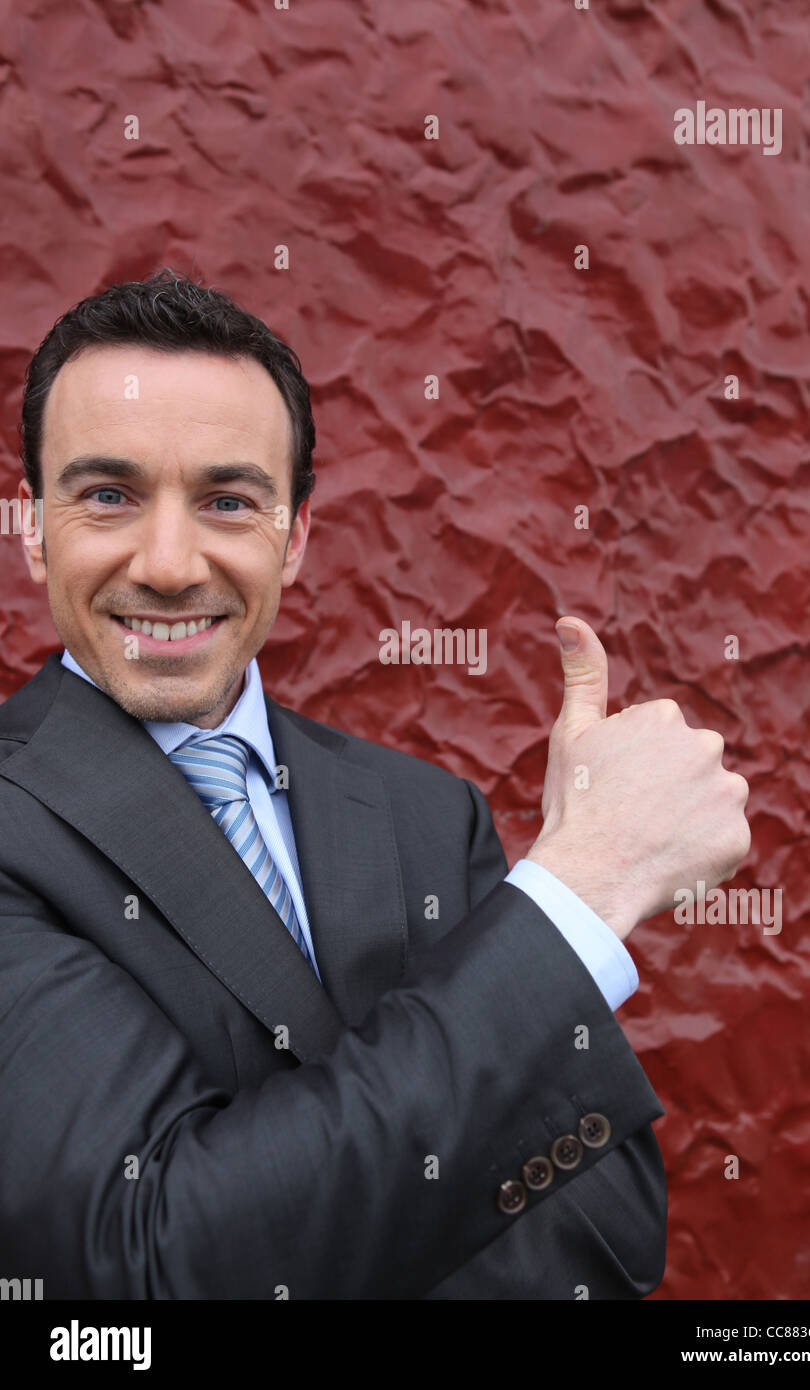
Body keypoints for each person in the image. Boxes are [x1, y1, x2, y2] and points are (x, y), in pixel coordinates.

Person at [0, 269, 750, 1299]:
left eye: (227, 499)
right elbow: (157, 1260)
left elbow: (608, 1223)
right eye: (109, 495)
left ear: (295, 536)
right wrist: (580, 892)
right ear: (32, 526)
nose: (169, 563)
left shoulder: (425, 814)